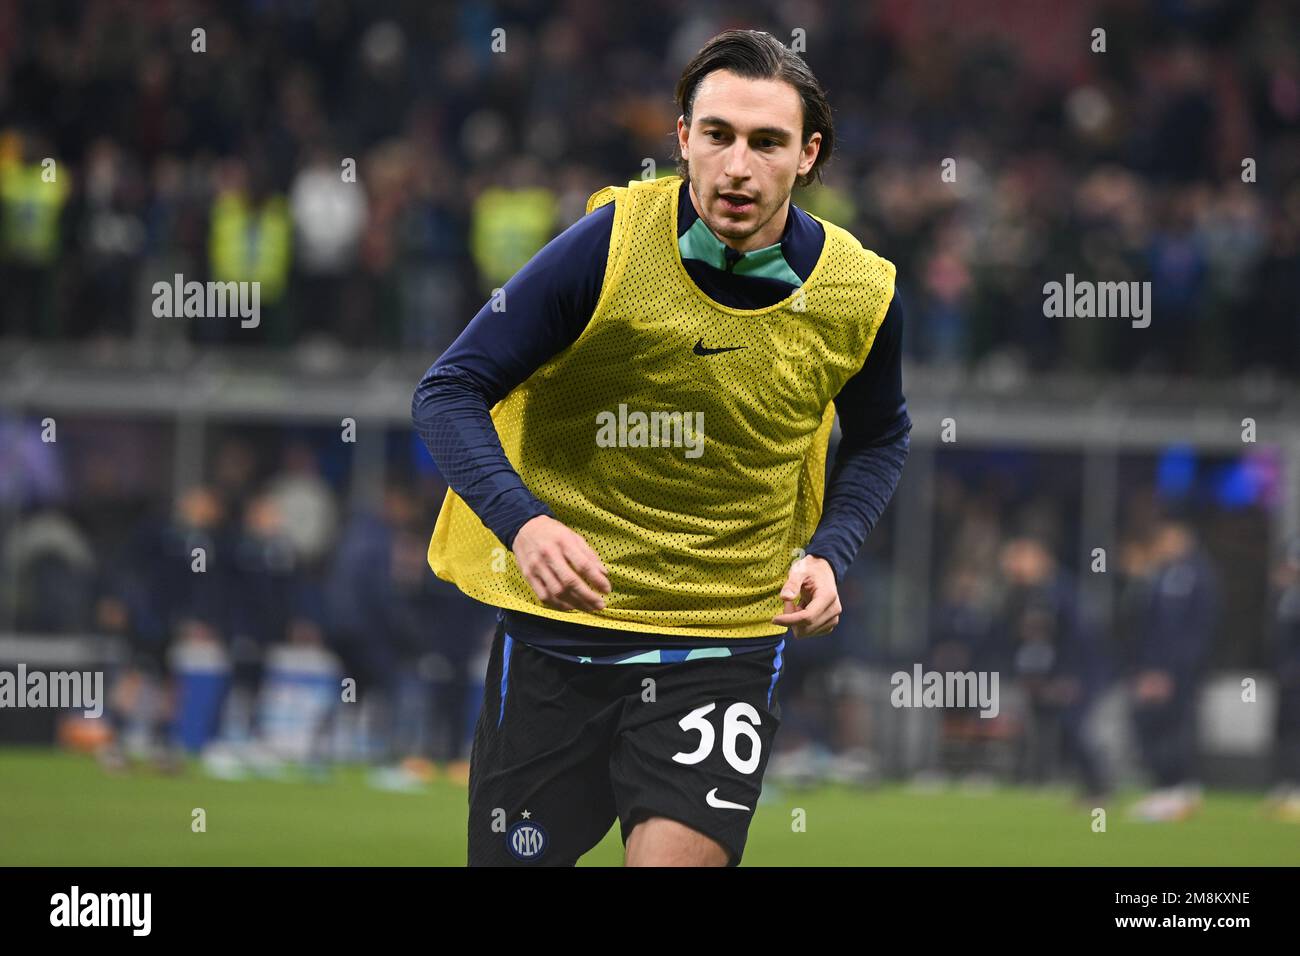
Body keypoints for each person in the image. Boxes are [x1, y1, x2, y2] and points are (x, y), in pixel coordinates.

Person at [413, 30, 910, 866]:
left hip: (722, 643)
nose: (737, 166)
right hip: (561, 633)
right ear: (682, 138)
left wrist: (831, 552)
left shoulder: (860, 293)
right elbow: (448, 389)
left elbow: (883, 433)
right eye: (716, 135)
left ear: (808, 155)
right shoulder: (607, 247)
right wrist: (525, 525)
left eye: (767, 142)